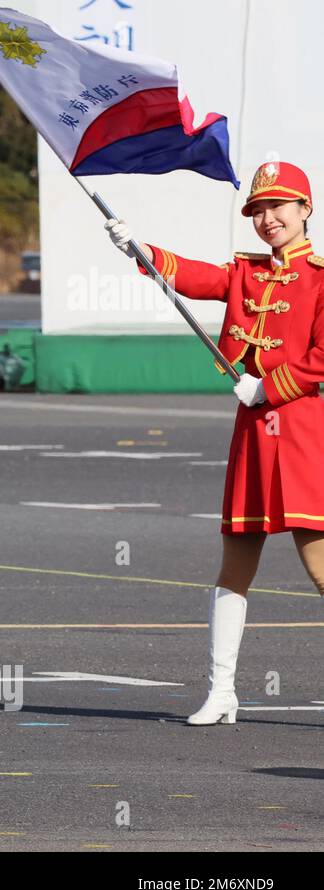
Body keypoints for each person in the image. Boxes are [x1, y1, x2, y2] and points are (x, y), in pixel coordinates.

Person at [105, 160, 324, 725]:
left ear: (305, 209)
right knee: (235, 565)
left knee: (321, 566)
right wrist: (141, 249)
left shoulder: (323, 278)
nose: (268, 218)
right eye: (258, 210)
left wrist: (269, 386)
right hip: (253, 437)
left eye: (279, 206)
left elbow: (322, 357)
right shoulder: (246, 274)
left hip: (303, 434)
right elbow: (196, 276)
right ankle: (222, 691)